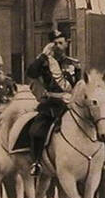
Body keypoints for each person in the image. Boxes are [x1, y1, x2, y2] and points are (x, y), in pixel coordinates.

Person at [26, 29, 76, 172]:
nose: (58, 46)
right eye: (55, 43)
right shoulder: (45, 63)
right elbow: (31, 72)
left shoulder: (73, 63)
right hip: (52, 105)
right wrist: (43, 55)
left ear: (67, 44)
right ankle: (36, 162)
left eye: (61, 43)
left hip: (71, 105)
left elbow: (78, 83)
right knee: (36, 131)